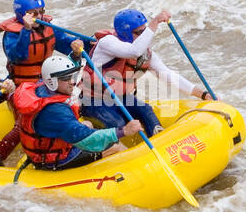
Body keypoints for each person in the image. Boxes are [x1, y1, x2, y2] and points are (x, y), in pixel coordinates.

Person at [81, 8, 211, 136]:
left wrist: (203, 94)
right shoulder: (107, 42)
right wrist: (155, 22)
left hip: (120, 98)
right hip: (93, 101)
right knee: (118, 122)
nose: (145, 35)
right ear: (125, 33)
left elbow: (168, 75)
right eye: (140, 32)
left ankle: (158, 141)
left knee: (146, 110)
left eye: (145, 30)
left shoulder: (146, 54)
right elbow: (133, 51)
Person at [12, 54, 142, 170]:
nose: (73, 82)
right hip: (56, 160)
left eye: (73, 76)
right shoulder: (54, 111)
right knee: (115, 145)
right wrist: (123, 131)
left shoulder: (41, 86)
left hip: (46, 149)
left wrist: (74, 56)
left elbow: (58, 69)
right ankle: (137, 168)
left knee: (88, 124)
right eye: (66, 78)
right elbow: (86, 138)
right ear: (52, 81)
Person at [0, 0, 84, 84]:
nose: (39, 16)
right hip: (22, 83)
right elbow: (19, 56)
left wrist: (83, 43)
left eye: (41, 11)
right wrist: (26, 30)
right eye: (33, 13)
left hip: (46, 80)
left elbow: (66, 43)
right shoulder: (12, 34)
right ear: (21, 14)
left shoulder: (47, 27)